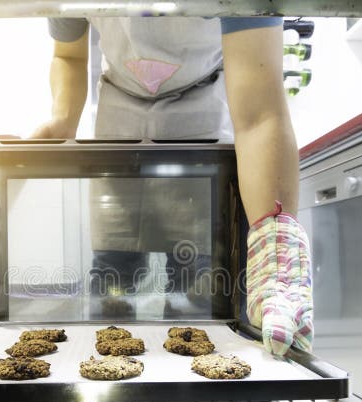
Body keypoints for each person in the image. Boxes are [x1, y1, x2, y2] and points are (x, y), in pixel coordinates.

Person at [31, 16, 313, 357]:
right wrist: (63, 117)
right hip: (119, 123)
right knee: (112, 285)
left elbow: (260, 110)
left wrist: (275, 257)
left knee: (197, 290)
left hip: (200, 116)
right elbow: (69, 55)